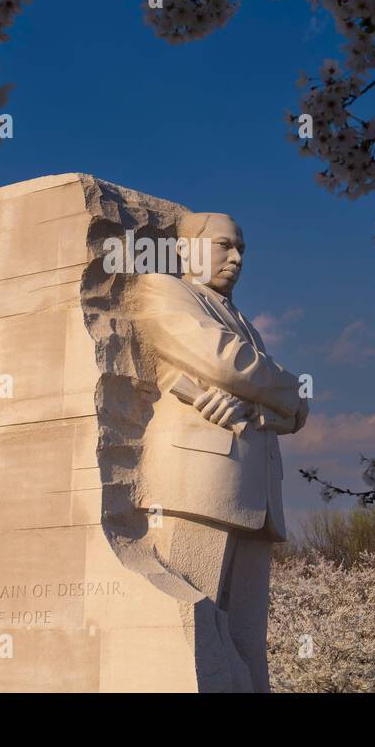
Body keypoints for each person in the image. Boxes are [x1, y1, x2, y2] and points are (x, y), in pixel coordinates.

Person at [128, 211, 308, 691]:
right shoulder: (163, 288)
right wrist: (289, 390)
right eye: (224, 245)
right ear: (185, 250)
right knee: (194, 626)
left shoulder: (247, 324)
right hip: (198, 481)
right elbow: (225, 362)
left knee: (246, 645)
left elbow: (286, 412)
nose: (236, 258)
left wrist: (268, 407)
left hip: (257, 494)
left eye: (242, 249)